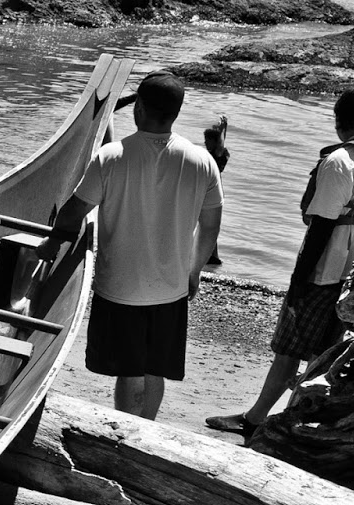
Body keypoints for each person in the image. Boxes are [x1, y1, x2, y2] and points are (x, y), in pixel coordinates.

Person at [206, 87, 354, 437]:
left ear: (338, 120)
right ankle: (298, 422)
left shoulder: (339, 162)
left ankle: (257, 420)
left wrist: (299, 281)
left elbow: (321, 229)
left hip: (324, 275)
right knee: (328, 356)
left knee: (289, 351)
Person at [37, 71, 223, 420]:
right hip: (170, 288)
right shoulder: (202, 161)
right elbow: (210, 225)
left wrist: (53, 241)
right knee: (154, 369)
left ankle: (127, 434)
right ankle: (145, 427)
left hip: (120, 287)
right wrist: (194, 270)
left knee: (130, 370)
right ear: (177, 112)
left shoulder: (112, 156)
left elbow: (74, 212)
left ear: (138, 108)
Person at [203, 114, 230, 265]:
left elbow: (221, 142)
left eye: (207, 141)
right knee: (207, 224)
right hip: (209, 189)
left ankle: (211, 256)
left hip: (211, 190)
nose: (205, 143)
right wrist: (223, 128)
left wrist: (223, 128)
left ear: (214, 142)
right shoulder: (214, 154)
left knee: (207, 224)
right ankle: (210, 255)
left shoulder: (218, 154)